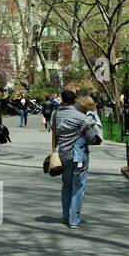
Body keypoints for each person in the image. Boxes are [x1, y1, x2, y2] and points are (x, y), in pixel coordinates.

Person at [53, 89, 97, 229]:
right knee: (78, 186)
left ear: (62, 99)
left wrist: (54, 149)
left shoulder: (56, 115)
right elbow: (91, 138)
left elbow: (54, 133)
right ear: (75, 100)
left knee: (66, 185)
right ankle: (74, 219)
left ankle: (66, 216)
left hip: (63, 155)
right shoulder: (80, 117)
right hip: (79, 156)